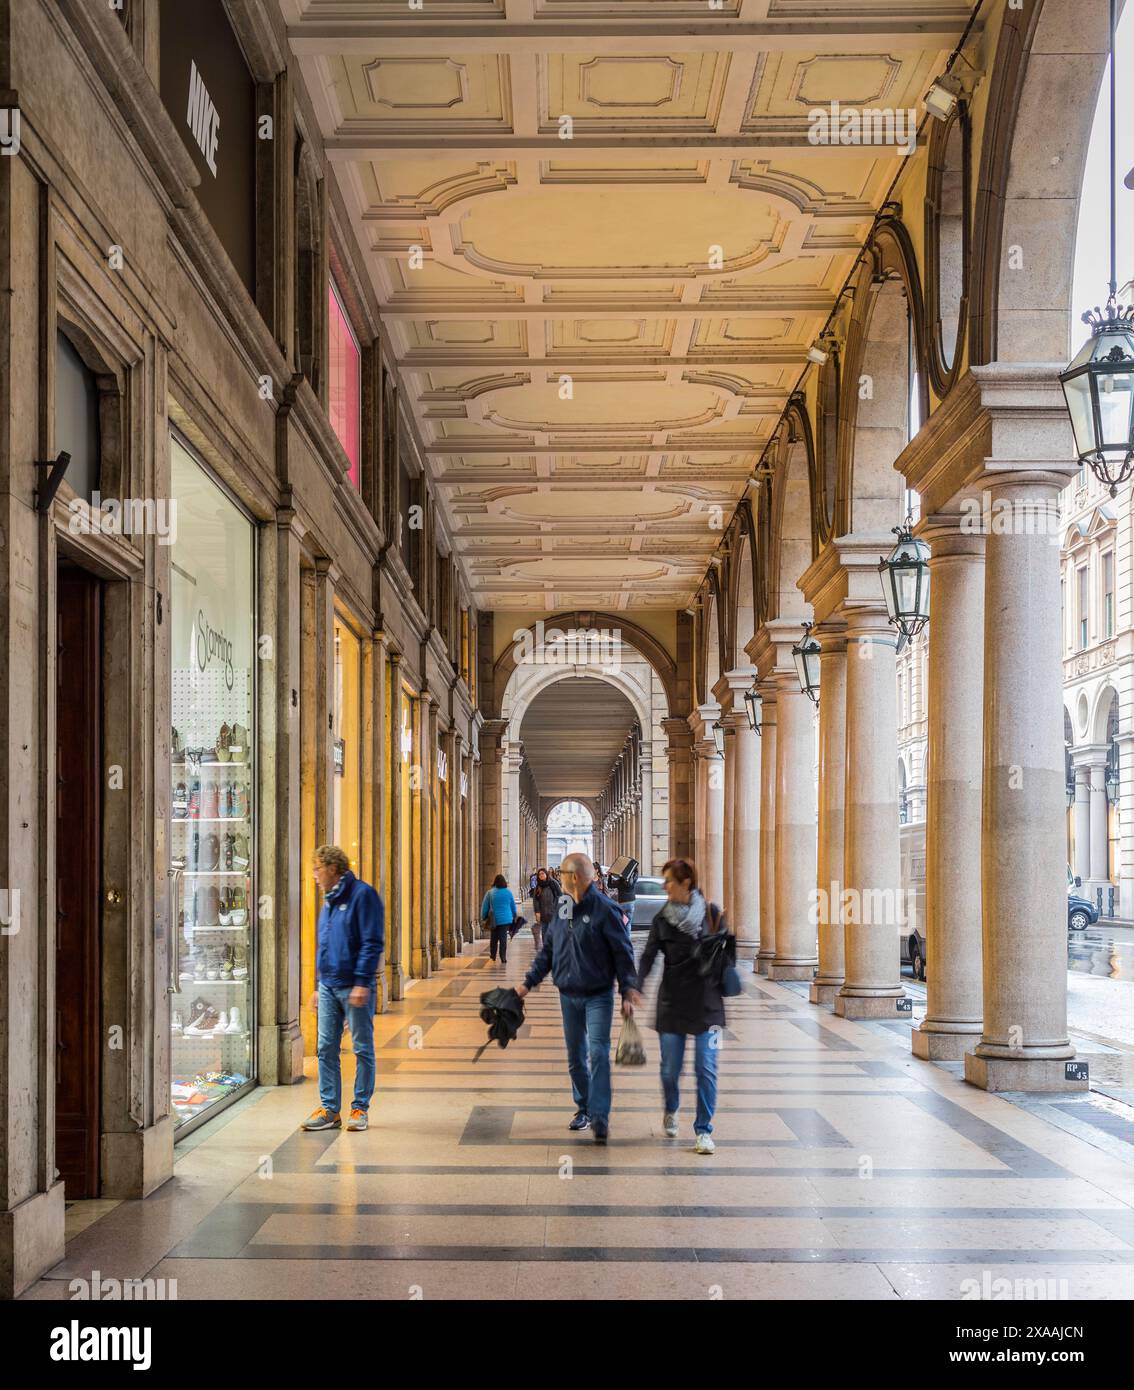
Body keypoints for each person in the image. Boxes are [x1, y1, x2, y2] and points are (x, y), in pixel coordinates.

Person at [516, 852, 642, 1143]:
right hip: (568, 994)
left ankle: (600, 1115)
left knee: (598, 1053)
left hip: (598, 994)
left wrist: (627, 989)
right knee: (576, 1058)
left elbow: (623, 953)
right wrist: (526, 984)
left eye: (562, 873)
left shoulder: (606, 909)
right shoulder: (563, 906)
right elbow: (549, 950)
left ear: (576, 877)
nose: (559, 877)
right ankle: (583, 1108)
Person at [635, 857, 732, 1155]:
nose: (664, 886)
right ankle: (672, 1107)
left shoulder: (713, 915)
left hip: (710, 1007)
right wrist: (635, 986)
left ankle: (704, 1130)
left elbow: (729, 960)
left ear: (686, 882)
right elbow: (649, 956)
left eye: (669, 881)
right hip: (672, 1004)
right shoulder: (662, 919)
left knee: (707, 1068)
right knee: (669, 1070)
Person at [301, 845, 384, 1133]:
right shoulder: (328, 901)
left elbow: (372, 942)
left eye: (317, 869)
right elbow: (324, 945)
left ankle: (359, 1107)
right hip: (328, 986)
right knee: (326, 1048)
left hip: (354, 986)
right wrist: (317, 984)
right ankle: (329, 1109)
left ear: (333, 868)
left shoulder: (363, 895)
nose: (313, 875)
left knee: (362, 1048)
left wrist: (362, 981)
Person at [481, 873, 518, 964]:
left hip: (494, 920)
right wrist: (514, 916)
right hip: (506, 920)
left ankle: (493, 955)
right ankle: (503, 957)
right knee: (503, 938)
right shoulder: (508, 892)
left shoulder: (490, 893)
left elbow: (485, 907)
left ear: (495, 882)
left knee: (494, 938)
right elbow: (513, 906)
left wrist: (483, 916)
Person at [530, 867, 559, 953]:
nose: (541, 875)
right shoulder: (538, 887)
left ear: (546, 874)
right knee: (544, 932)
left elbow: (560, 896)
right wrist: (537, 912)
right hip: (543, 913)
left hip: (553, 913)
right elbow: (535, 900)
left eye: (543, 873)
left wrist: (555, 907)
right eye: (539, 874)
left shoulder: (553, 883)